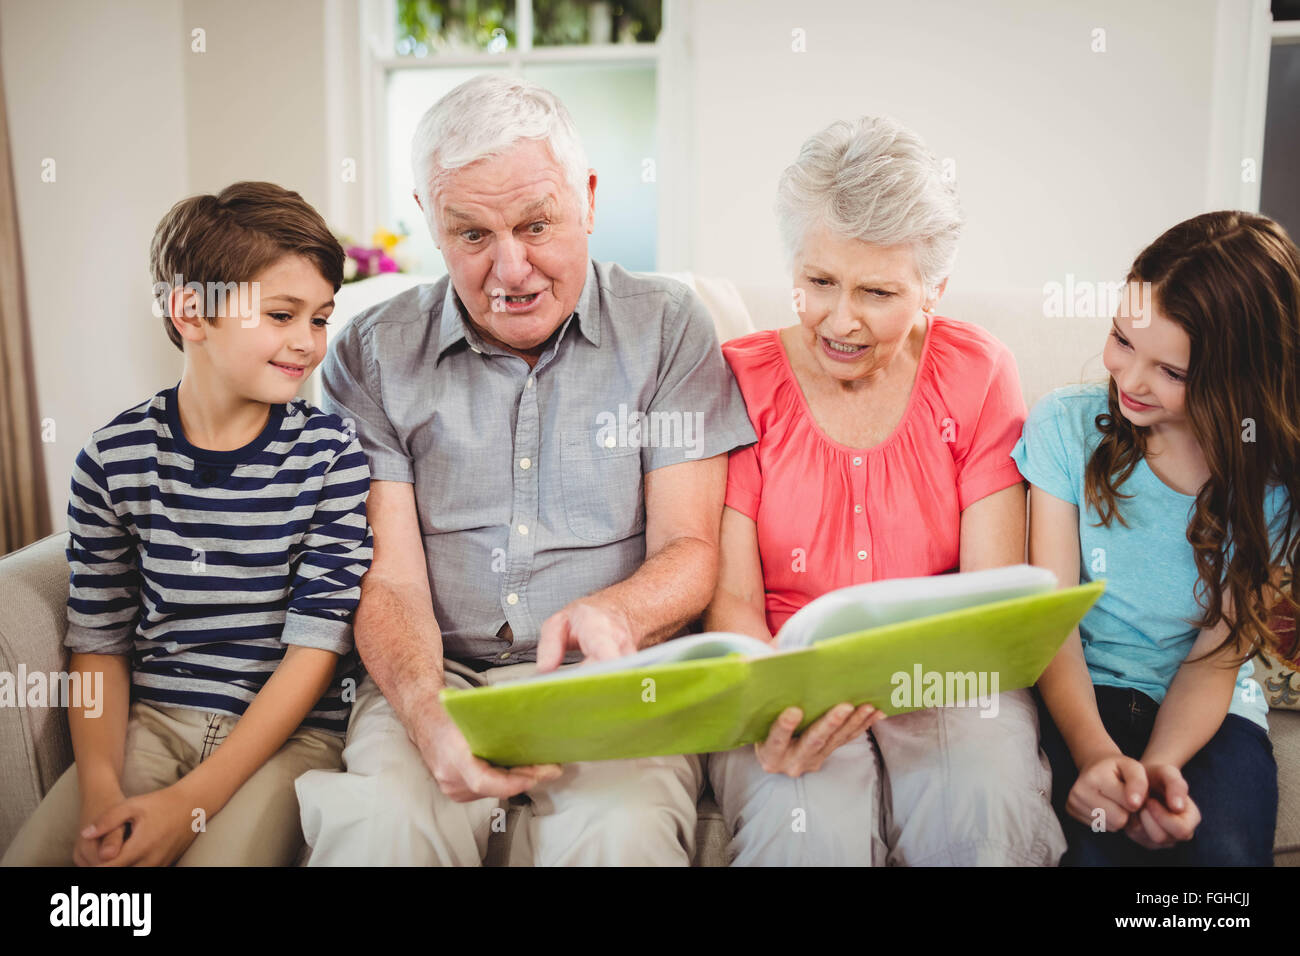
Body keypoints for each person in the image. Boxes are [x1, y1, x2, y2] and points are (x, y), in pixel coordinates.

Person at [293, 74, 756, 866]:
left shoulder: (669, 327)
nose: (510, 271)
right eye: (471, 235)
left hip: (607, 685)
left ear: (590, 200)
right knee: (380, 832)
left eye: (537, 225)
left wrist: (617, 613)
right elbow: (392, 581)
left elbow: (690, 549)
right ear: (429, 219)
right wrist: (425, 708)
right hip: (438, 677)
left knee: (624, 838)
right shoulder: (369, 353)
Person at [705, 116, 1066, 866]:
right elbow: (733, 601)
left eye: (876, 291)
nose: (841, 320)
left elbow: (989, 598)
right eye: (819, 283)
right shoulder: (738, 379)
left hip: (944, 671)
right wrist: (775, 701)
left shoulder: (978, 372)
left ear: (934, 287)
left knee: (981, 792)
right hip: (779, 670)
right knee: (808, 817)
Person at [1, 182, 373, 867]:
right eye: (282, 314)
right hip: (154, 725)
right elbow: (100, 641)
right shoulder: (115, 457)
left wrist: (189, 804)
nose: (307, 343)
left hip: (290, 740)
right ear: (192, 313)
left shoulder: (331, 454)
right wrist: (100, 789)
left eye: (319, 318)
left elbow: (317, 648)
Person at [1015, 211, 1300, 865]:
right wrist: (1096, 756)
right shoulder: (1065, 427)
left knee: (1221, 853)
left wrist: (1162, 769)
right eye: (1122, 339)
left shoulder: (1271, 483)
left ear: (1240, 380)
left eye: (1172, 372)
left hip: (1209, 714)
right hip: (1083, 700)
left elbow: (1216, 659)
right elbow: (1050, 625)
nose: (1131, 380)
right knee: (1093, 852)